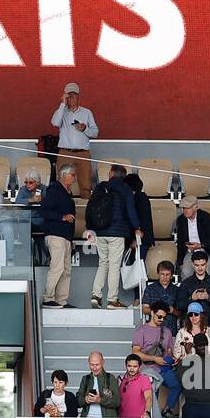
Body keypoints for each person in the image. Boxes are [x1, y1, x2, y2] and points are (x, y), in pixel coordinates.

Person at [84, 164, 143, 309]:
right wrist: (137, 227)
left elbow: (90, 207)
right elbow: (130, 210)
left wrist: (90, 228)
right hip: (117, 233)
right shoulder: (126, 190)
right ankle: (112, 300)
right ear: (123, 176)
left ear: (110, 174)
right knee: (114, 266)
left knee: (103, 263)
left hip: (100, 231)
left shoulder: (100, 187)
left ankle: (96, 295)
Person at [40, 163, 77, 305]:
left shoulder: (67, 193)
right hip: (56, 234)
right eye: (72, 175)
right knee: (57, 267)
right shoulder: (55, 190)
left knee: (66, 269)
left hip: (66, 236)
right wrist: (62, 217)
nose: (75, 178)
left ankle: (62, 300)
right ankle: (48, 298)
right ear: (63, 175)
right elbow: (44, 211)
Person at [50, 83, 97, 197]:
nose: (71, 97)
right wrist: (62, 104)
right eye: (68, 95)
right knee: (62, 184)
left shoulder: (86, 112)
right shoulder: (61, 111)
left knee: (86, 184)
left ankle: (86, 211)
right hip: (65, 152)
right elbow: (55, 123)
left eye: (74, 95)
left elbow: (95, 132)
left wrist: (84, 128)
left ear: (78, 96)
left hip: (83, 153)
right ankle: (63, 210)